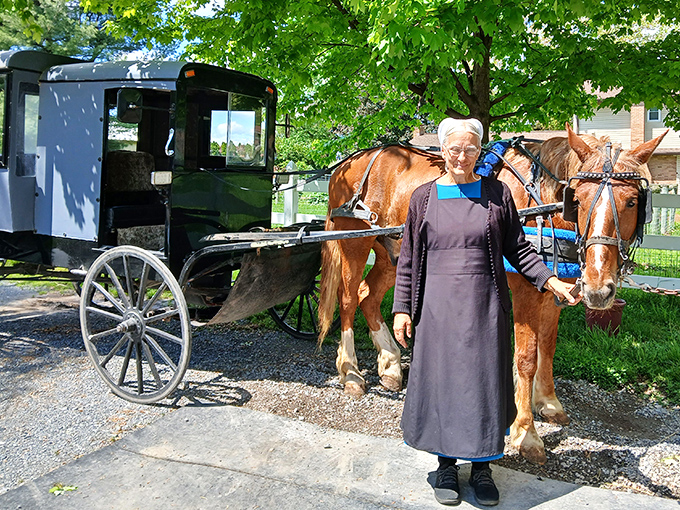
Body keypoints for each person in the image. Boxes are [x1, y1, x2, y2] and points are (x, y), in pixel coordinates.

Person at [392, 118, 580, 507]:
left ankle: (481, 469)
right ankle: (445, 464)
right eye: (455, 149)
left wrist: (552, 281)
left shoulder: (497, 195)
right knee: (442, 384)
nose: (463, 156)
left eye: (471, 149)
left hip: (485, 307)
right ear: (443, 151)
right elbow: (409, 258)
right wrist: (401, 309)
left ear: (480, 152)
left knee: (483, 385)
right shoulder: (423, 198)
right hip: (436, 308)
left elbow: (519, 249)